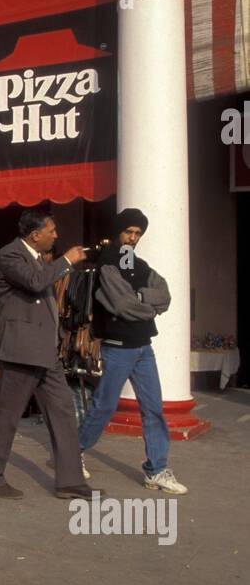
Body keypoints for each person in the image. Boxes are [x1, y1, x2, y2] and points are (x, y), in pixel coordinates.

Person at [0, 208, 93, 500]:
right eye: (51, 231)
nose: (56, 235)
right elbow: (34, 282)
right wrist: (67, 260)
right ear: (34, 235)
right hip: (20, 351)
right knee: (7, 416)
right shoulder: (11, 255)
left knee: (63, 412)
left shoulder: (41, 259)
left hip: (44, 351)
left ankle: (70, 482)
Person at [78, 209, 187, 494]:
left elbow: (165, 295)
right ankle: (72, 453)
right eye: (129, 232)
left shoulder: (140, 265)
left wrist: (138, 298)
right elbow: (121, 306)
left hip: (143, 347)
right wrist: (144, 303)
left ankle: (157, 470)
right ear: (119, 231)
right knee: (104, 406)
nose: (133, 238)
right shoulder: (107, 264)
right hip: (117, 348)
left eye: (138, 233)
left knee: (154, 409)